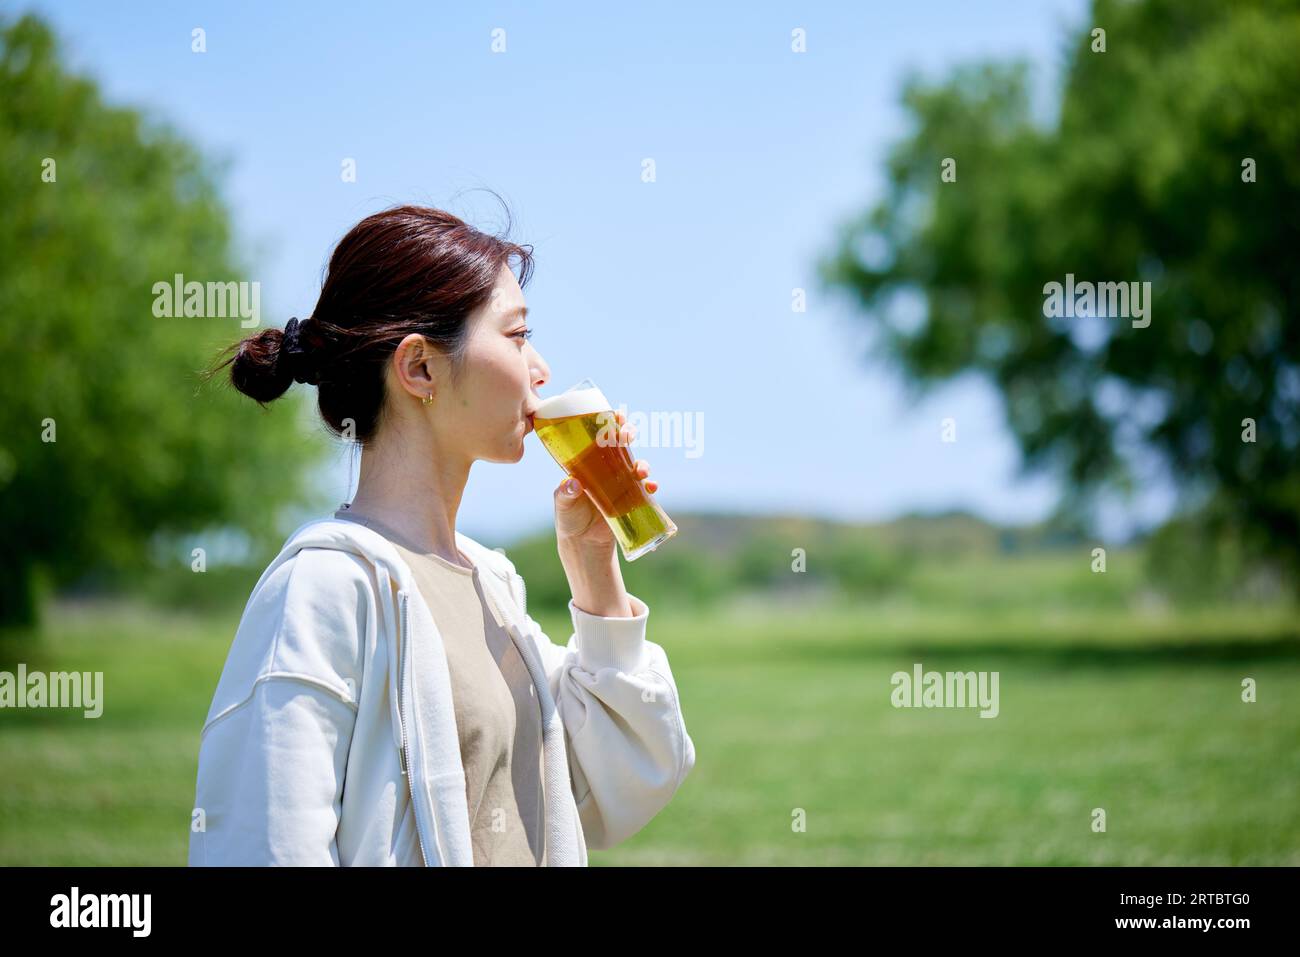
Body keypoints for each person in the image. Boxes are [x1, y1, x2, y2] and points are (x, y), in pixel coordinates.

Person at [188, 203, 695, 866]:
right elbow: (263, 845)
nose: (540, 368)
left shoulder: (492, 585)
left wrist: (594, 561)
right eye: (516, 336)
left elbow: (620, 785)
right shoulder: (323, 590)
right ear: (420, 369)